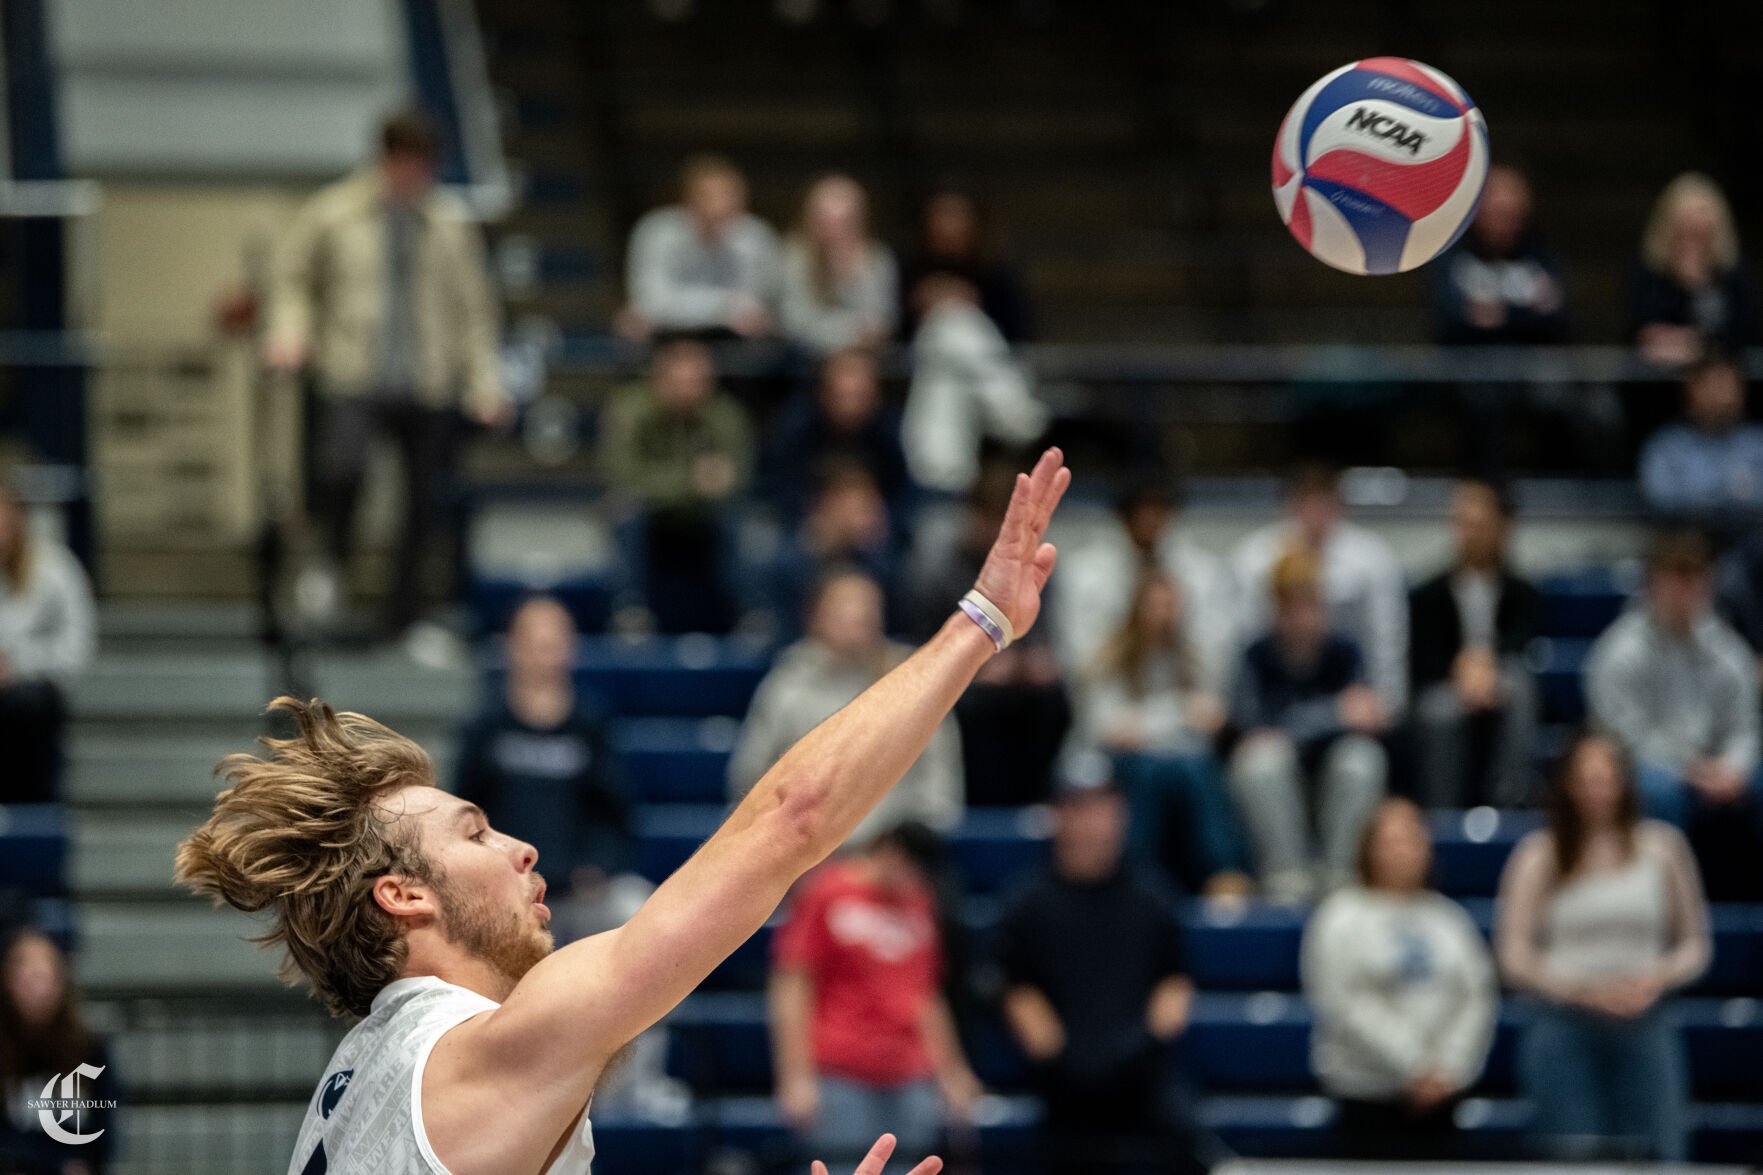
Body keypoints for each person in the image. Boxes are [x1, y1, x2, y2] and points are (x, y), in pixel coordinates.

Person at [173, 447, 1071, 1175]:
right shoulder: (487, 1049)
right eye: (476, 832)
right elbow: (789, 821)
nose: (524, 847)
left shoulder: (360, 1073)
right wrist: (980, 622)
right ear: (405, 895)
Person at [265, 110, 508, 641]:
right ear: (385, 159)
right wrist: (291, 331)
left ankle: (403, 615)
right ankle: (330, 565)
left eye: (424, 167)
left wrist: (485, 382)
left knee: (424, 501)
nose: (413, 178)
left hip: (428, 380)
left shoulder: (449, 222)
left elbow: (474, 309)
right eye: (406, 165)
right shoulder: (335, 212)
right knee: (342, 471)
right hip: (354, 373)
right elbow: (292, 279)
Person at [997, 752, 1217, 1175]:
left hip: (1143, 1081)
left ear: (1121, 813)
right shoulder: (1025, 904)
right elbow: (1016, 992)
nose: (1089, 822)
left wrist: (1139, 1047)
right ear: (1057, 815)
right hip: (1064, 1089)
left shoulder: (1154, 898)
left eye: (1100, 806)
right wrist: (1064, 1058)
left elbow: (1175, 988)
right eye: (1076, 807)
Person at [1495, 733, 1710, 1162]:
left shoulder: (1663, 848)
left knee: (1661, 1153)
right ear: (1568, 785)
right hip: (1562, 1026)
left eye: (1607, 779)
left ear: (1624, 783)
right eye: (1586, 780)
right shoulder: (1537, 855)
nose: (1597, 790)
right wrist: (1583, 992)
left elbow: (1695, 945)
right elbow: (1514, 956)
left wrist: (1655, 979)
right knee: (1575, 1158)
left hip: (1646, 1020)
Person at [770, 825, 981, 1168]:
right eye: (911, 869)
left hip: (910, 1075)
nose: (913, 881)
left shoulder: (918, 901)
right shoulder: (828, 891)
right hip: (840, 1074)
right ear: (891, 852)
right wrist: (794, 1075)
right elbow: (793, 983)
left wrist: (952, 1070)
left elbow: (926, 995)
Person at [1301, 798, 1497, 1161]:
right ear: (1368, 847)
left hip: (1442, 1095)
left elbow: (1476, 997)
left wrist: (1450, 1067)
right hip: (1366, 1093)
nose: (1403, 852)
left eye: (1412, 839)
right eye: (1391, 841)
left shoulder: (1449, 918)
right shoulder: (1341, 915)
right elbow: (1341, 1001)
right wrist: (1415, 1064)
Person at [453, 597, 640, 941]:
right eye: (534, 644)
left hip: (578, 892)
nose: (543, 655)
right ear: (512, 648)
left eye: (553, 644)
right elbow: (463, 810)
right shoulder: (485, 725)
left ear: (571, 650)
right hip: (503, 890)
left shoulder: (590, 724)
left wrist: (597, 866)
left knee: (636, 910)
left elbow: (614, 812)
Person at [730, 569, 963, 845]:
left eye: (866, 609)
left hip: (896, 856)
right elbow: (749, 777)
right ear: (814, 617)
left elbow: (940, 785)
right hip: (800, 854)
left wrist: (909, 843)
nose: (857, 619)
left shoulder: (914, 679)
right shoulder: (786, 686)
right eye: (843, 610)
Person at [906, 461, 1070, 807]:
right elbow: (919, 650)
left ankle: (1038, 806)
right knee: (977, 710)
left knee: (1054, 700)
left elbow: (1043, 634)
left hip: (1019, 684)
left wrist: (1036, 660)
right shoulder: (939, 569)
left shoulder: (1033, 562)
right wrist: (977, 666)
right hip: (960, 687)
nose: (998, 531)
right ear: (971, 515)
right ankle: (979, 810)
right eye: (991, 518)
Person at [1229, 548, 1389, 902]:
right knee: (1260, 761)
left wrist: (1297, 727)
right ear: (1278, 609)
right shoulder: (1256, 655)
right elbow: (1250, 729)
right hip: (1280, 782)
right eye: (1296, 606)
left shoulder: (1346, 652)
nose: (1307, 617)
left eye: (1314, 604)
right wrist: (1332, 715)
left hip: (1332, 772)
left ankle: (1342, 879)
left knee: (1362, 758)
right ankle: (1287, 879)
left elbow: (1367, 718)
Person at [1080, 573, 1249, 896]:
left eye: (1169, 606)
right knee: (1155, 771)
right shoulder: (1110, 659)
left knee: (1196, 768)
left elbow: (1211, 716)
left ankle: (1224, 874)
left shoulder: (1193, 658)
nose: (1162, 615)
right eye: (1154, 606)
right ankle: (1139, 876)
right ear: (1137, 609)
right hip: (1125, 763)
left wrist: (1157, 722)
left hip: (1185, 761)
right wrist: (1179, 715)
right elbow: (1109, 729)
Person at [598, 339, 756, 633]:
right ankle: (629, 611)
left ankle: (747, 615)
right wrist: (692, 482)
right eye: (680, 381)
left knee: (736, 517)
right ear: (659, 378)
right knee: (624, 510)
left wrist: (678, 485)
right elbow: (624, 477)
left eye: (698, 382)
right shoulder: (628, 409)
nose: (689, 390)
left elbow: (737, 478)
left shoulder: (725, 415)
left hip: (702, 516)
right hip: (651, 515)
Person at [1232, 465, 1409, 716]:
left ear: (1338, 506)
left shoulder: (1372, 560)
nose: (1315, 515)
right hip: (1277, 677)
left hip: (1347, 676)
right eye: (1307, 504)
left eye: (1323, 505)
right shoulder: (1256, 558)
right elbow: (1247, 633)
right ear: (1292, 505)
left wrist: (1388, 703)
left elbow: (1386, 637)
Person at [1408, 479, 1542, 809]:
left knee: (1520, 685)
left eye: (1479, 524)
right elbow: (1422, 660)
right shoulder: (1428, 594)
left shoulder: (1523, 592)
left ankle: (1510, 802)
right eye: (1463, 523)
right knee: (1438, 713)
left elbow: (1522, 640)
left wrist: (1485, 664)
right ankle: (1442, 814)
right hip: (1448, 691)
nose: (1470, 533)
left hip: (1499, 685)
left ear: (1501, 527)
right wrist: (1461, 671)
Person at [1053, 480, 1238, 692]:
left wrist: (1174, 634)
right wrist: (1134, 634)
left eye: (1159, 510)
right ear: (1124, 517)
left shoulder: (1203, 571)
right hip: (1110, 701)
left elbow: (1218, 658)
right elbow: (1077, 662)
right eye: (1140, 511)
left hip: (1184, 697)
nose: (1149, 520)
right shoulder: (1086, 572)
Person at [901, 275, 1047, 495]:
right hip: (941, 471)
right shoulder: (954, 325)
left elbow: (1008, 409)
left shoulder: (956, 326)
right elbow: (1014, 416)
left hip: (937, 468)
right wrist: (1028, 422)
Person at [0, 483, 94, 804]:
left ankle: (34, 818)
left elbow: (76, 649)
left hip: (31, 697)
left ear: (17, 517)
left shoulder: (55, 569)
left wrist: (17, 665)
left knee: (25, 706)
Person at [619, 154, 780, 342]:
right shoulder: (656, 231)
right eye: (707, 196)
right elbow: (650, 301)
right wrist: (724, 306)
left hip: (736, 335)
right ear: (687, 199)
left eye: (728, 195)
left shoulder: (756, 236)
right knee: (632, 325)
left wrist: (734, 309)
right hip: (669, 332)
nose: (718, 206)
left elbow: (757, 303)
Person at [0, 929, 117, 1175]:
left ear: (60, 982)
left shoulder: (90, 1048)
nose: (37, 991)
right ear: (9, 982)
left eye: (43, 978)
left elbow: (105, 1130)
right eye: (27, 980)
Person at [763, 347, 913, 531]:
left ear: (876, 396)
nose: (849, 408)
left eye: (858, 396)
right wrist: (817, 520)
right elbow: (779, 487)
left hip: (875, 530)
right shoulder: (796, 428)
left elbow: (904, 492)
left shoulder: (889, 432)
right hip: (805, 526)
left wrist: (879, 519)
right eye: (841, 396)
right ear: (822, 394)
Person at [1628, 171, 1757, 366]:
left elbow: (1744, 334)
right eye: (1683, 234)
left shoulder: (1733, 274)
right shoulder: (1648, 270)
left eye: (1700, 235)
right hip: (1657, 384)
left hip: (1722, 380)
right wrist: (1682, 287)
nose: (1691, 246)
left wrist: (1699, 287)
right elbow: (1645, 336)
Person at [1433, 165, 1569, 346]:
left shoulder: (1542, 256)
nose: (1505, 226)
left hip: (1533, 367)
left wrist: (1496, 314)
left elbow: (1557, 319)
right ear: (1476, 210)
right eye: (1498, 214)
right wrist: (1524, 312)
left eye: (1513, 216)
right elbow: (1448, 320)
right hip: (1465, 368)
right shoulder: (1450, 257)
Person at [768, 463, 901, 643]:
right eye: (859, 507)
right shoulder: (786, 566)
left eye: (872, 506)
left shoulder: (878, 564)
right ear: (827, 504)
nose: (869, 516)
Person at [778, 175, 898, 356]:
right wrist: (847, 335)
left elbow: (881, 321)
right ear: (809, 220)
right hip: (806, 359)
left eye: (844, 222)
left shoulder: (877, 258)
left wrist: (850, 273)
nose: (834, 232)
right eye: (825, 222)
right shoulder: (792, 258)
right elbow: (794, 323)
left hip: (865, 359)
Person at [898, 188, 1033, 342]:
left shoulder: (997, 271)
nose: (947, 227)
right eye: (941, 215)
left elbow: (1019, 333)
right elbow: (896, 333)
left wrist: (970, 305)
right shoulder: (909, 269)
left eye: (955, 216)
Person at [1639, 357, 1763, 520]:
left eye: (1728, 388)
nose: (1721, 400)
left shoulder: (1758, 443)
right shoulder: (1666, 445)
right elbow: (1659, 498)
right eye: (1712, 388)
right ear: (1690, 391)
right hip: (1685, 533)